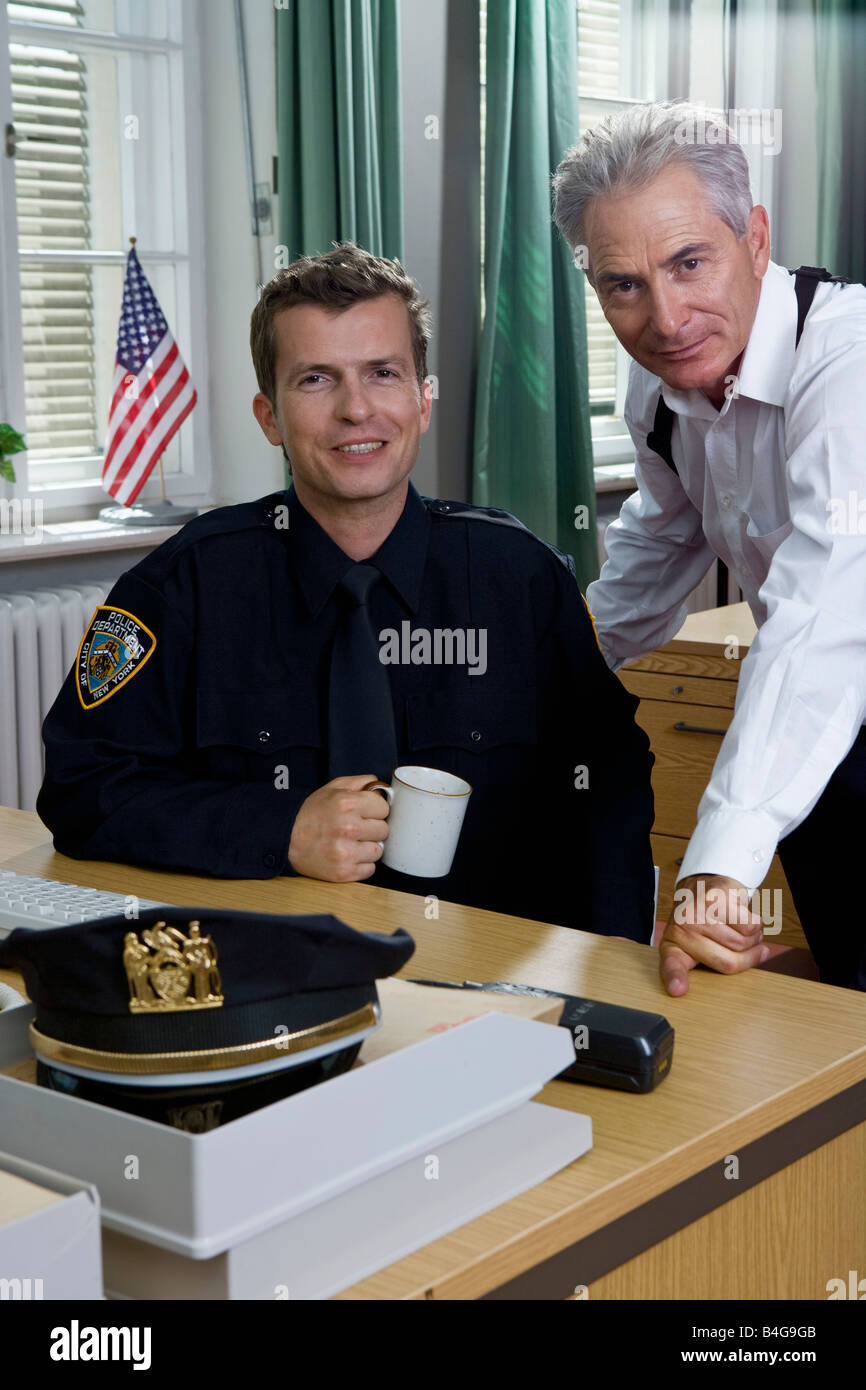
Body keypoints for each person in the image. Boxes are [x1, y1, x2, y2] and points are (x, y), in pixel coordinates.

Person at [37, 244, 655, 939]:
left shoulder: (521, 577)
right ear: (269, 416)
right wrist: (282, 826)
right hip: (270, 965)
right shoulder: (184, 587)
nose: (355, 409)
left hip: (483, 976)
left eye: (383, 374)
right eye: (316, 380)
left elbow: (609, 783)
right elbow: (82, 790)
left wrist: (611, 975)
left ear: (422, 401)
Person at [552, 101, 866, 992]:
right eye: (623, 284)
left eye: (691, 263)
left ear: (755, 239)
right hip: (828, 737)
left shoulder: (848, 368)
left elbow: (823, 621)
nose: (666, 316)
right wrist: (517, 697)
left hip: (832, 673)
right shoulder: (660, 405)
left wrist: (719, 862)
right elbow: (646, 568)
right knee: (845, 1008)